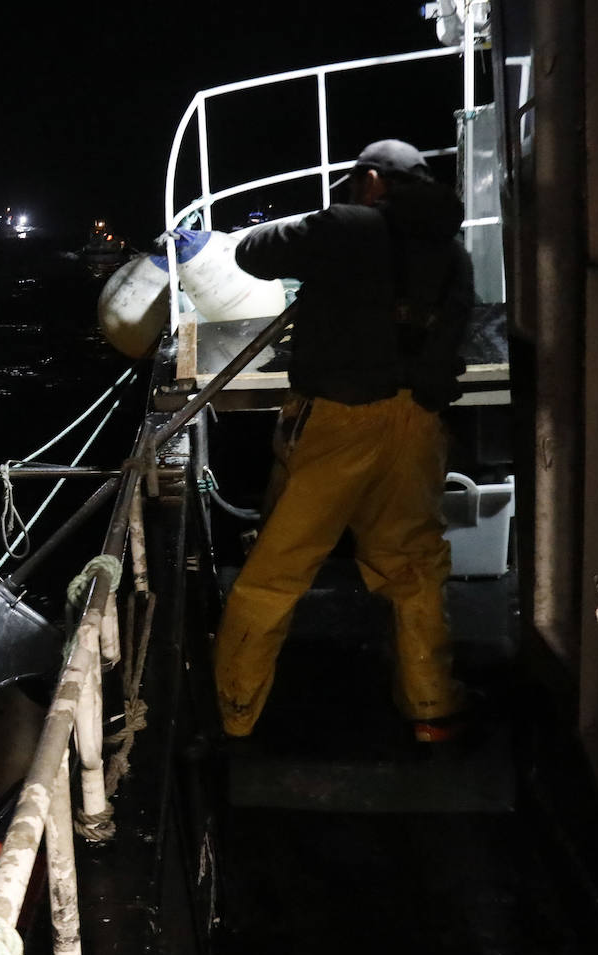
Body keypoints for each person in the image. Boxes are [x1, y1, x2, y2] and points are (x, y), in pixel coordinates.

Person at [211, 139, 475, 744]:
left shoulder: (347, 226)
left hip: (337, 422)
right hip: (419, 425)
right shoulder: (454, 253)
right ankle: (432, 708)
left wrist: (318, 222)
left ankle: (235, 712)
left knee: (276, 571)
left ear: (372, 180)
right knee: (411, 569)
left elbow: (253, 254)